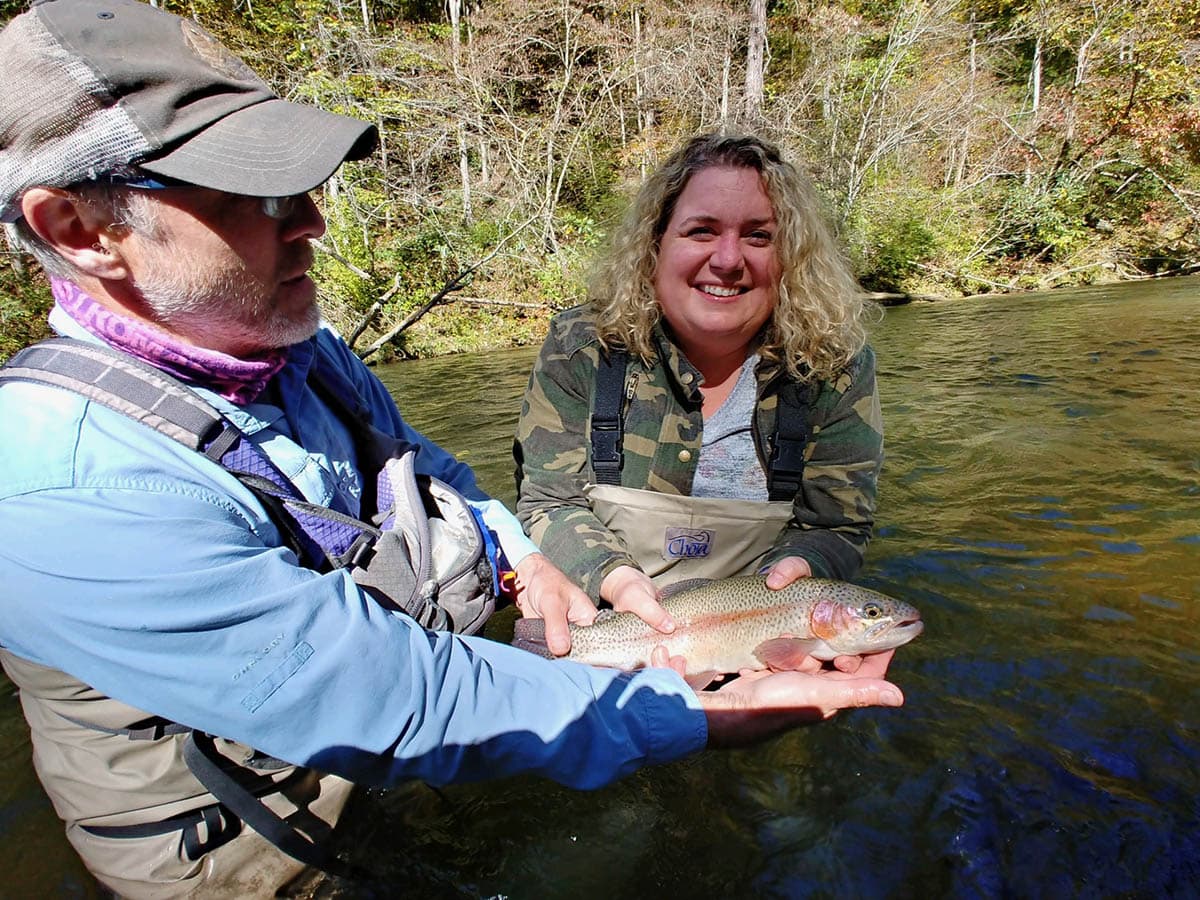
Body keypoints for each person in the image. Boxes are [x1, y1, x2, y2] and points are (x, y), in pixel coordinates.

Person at [0, 2, 903, 896]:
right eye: (256, 193)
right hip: (246, 843)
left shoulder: (298, 353)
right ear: (80, 228)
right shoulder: (56, 486)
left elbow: (427, 472)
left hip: (407, 764)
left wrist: (520, 558)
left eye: (302, 185)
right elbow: (398, 696)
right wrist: (690, 713)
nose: (312, 219)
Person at [514, 133, 884, 656]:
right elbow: (549, 499)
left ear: (791, 259)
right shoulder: (581, 349)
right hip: (609, 630)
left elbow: (837, 526)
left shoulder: (833, 368)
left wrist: (806, 570)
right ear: (655, 244)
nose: (728, 259)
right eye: (701, 230)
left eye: (759, 236)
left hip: (764, 644)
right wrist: (615, 579)